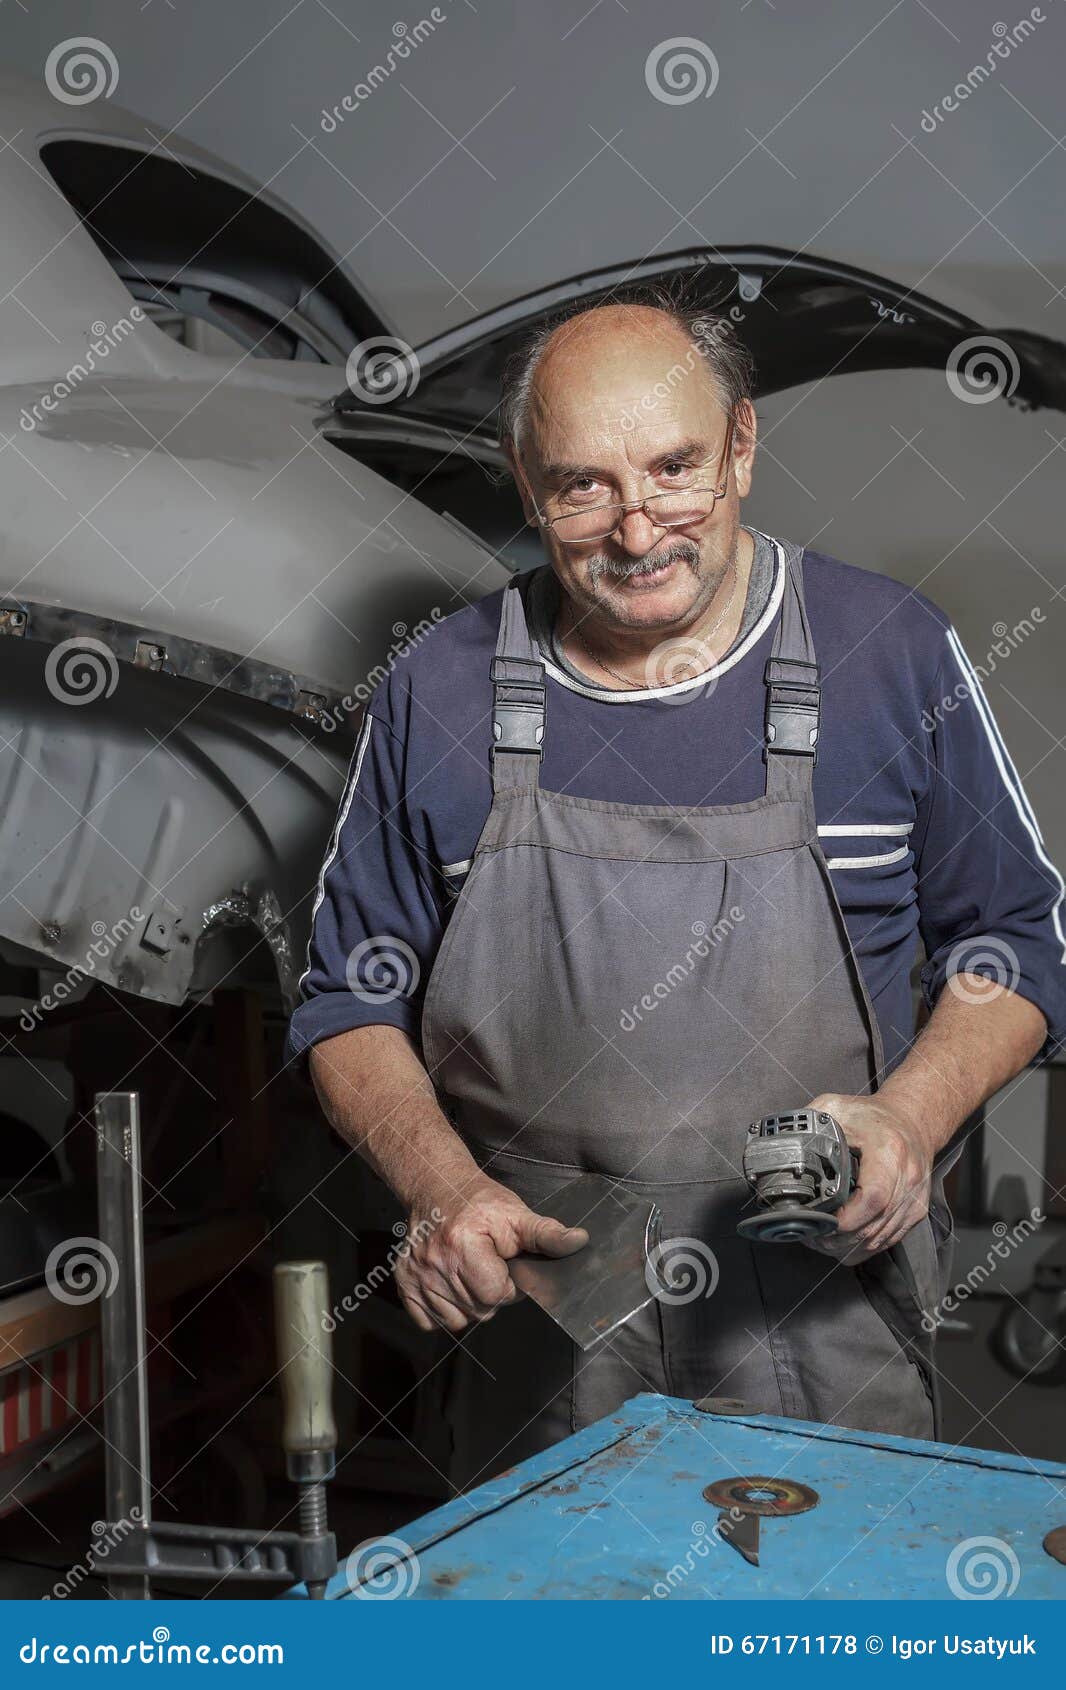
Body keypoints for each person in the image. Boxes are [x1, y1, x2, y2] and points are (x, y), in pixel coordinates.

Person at [291, 289, 1063, 1490]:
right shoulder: (435, 691)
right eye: (583, 484)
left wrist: (910, 1122)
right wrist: (442, 1191)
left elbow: (1014, 939)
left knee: (824, 1645)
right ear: (522, 477)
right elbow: (346, 1002)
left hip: (819, 1281)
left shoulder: (888, 652)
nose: (638, 530)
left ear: (742, 448)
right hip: (544, 1300)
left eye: (675, 469)